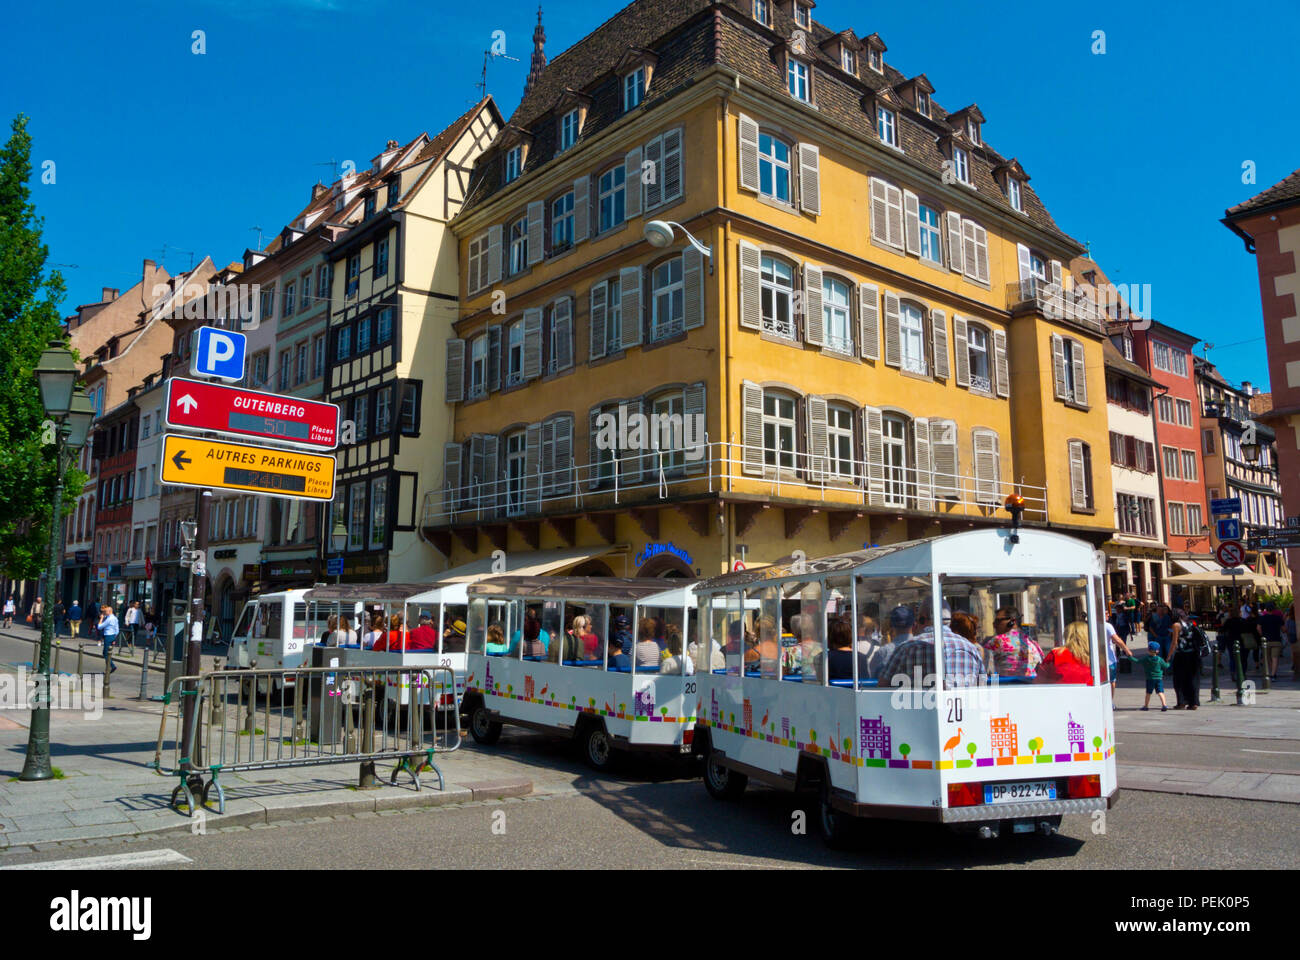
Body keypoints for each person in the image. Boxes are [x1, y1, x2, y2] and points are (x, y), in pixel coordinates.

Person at [879, 602, 984, 689]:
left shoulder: (905, 648)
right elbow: (982, 684)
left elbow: (883, 686)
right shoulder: (970, 648)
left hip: (914, 710)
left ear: (922, 619)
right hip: (962, 711)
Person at [982, 606, 1043, 679]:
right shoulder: (1032, 643)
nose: (994, 625)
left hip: (1007, 686)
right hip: (1031, 686)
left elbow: (984, 670)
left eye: (998, 621)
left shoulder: (997, 641)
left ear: (1012, 622)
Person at [1039, 621, 1094, 685]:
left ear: (1067, 636)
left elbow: (1040, 682)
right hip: (1090, 693)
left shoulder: (1056, 654)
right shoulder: (1096, 657)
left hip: (1059, 693)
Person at [1168, 610, 1202, 709]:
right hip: (1194, 654)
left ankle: (1182, 702)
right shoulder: (1191, 623)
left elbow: (1174, 643)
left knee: (1179, 679)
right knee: (1193, 679)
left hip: (1182, 655)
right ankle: (1194, 702)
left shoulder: (1176, 625)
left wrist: (1169, 656)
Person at [1103, 615, 1134, 695]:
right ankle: (1110, 701)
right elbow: (1117, 639)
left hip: (1096, 661)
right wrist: (1127, 650)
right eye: (1106, 613)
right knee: (1111, 681)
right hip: (1109, 660)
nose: (1108, 615)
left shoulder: (1090, 626)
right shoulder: (1107, 626)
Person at [1140, 640, 1171, 711]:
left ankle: (1146, 706)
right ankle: (1164, 705)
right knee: (1160, 692)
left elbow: (1137, 661)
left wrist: (1130, 657)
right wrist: (1169, 663)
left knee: (1148, 693)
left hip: (1150, 678)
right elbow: (1166, 666)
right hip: (1159, 678)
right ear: (1157, 651)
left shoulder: (1146, 659)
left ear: (1148, 650)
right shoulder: (1160, 659)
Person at [1258, 602, 1284, 680]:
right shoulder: (1278, 618)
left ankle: (1270, 672)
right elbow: (1284, 629)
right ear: (1274, 609)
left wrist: (1262, 635)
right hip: (1276, 640)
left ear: (1266, 609)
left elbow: (1258, 628)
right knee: (1275, 658)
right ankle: (1273, 674)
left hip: (1266, 640)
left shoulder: (1262, 618)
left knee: (1268, 658)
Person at [97, 604, 120, 672]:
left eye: (106, 611)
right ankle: (108, 668)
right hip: (112, 636)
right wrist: (114, 637)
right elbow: (117, 630)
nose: (104, 613)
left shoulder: (109, 619)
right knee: (108, 653)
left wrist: (101, 619)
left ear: (109, 611)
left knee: (105, 653)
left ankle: (112, 666)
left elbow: (99, 627)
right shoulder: (115, 618)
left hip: (108, 636)